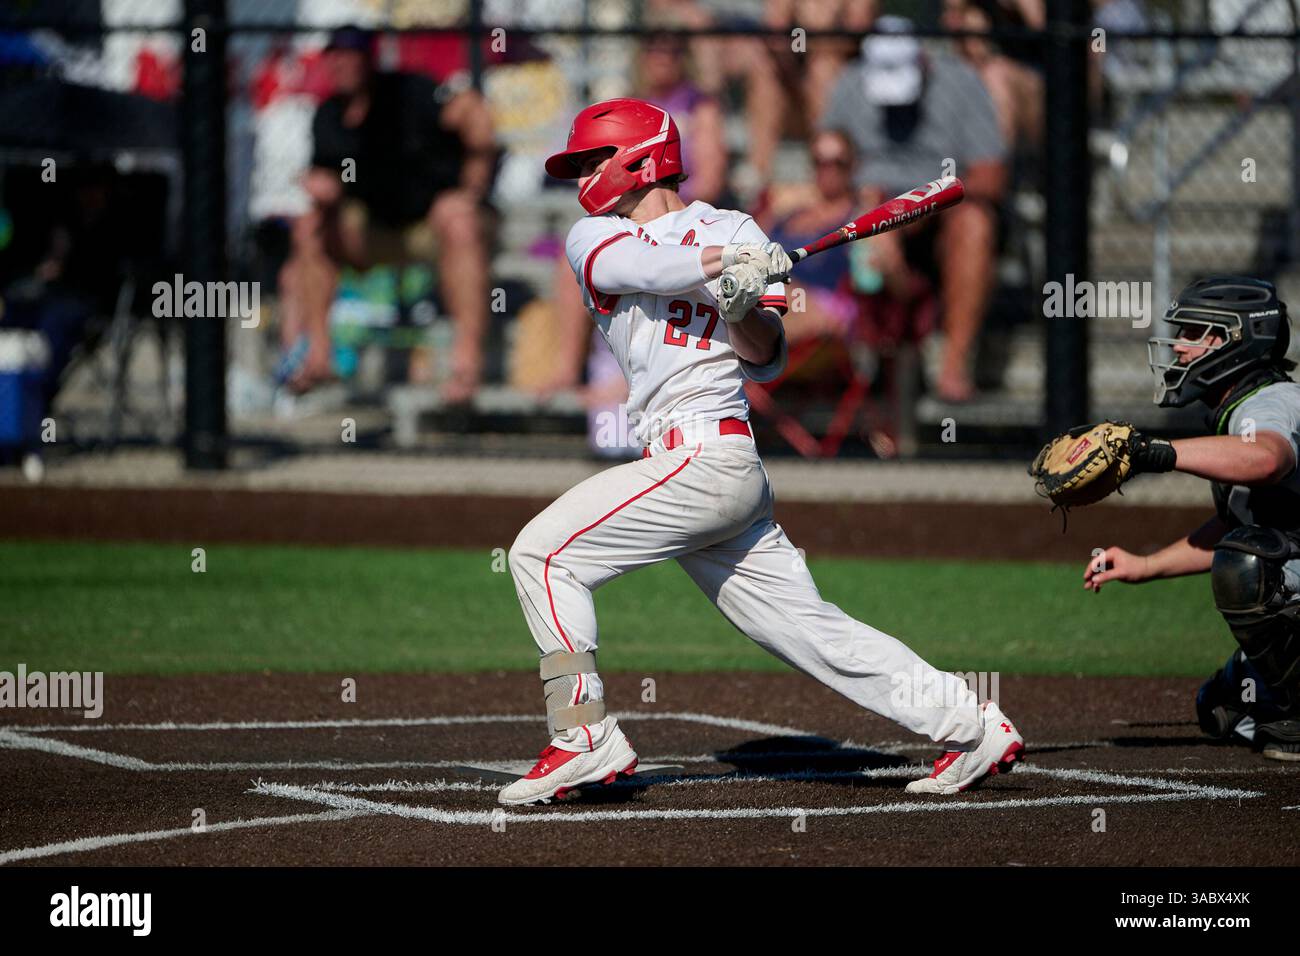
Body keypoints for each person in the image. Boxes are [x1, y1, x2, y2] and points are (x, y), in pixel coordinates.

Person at [498, 98, 1023, 805]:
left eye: (593, 160)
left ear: (640, 157)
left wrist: (742, 302)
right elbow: (647, 271)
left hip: (711, 457)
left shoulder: (733, 226)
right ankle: (974, 724)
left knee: (542, 553)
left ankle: (582, 736)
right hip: (689, 467)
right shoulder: (593, 238)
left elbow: (765, 357)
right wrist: (722, 267)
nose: (584, 176)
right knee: (812, 633)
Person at [1085, 276, 1300, 762]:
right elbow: (1237, 524)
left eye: (1194, 334)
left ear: (1236, 341)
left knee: (1248, 566)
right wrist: (1144, 566)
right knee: (1222, 703)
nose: (1179, 348)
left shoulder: (1270, 403)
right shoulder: (1239, 410)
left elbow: (1266, 459)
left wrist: (1157, 453)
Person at [278, 26, 496, 401]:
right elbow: (326, 180)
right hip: (375, 229)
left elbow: (472, 111)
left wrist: (472, 188)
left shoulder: (407, 92)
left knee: (457, 218)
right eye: (336, 55)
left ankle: (466, 362)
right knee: (309, 229)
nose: (344, 63)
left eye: (353, 55)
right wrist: (322, 187)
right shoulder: (328, 115)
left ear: (370, 60)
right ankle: (315, 355)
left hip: (431, 223)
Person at [821, 16, 1007, 403]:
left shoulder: (961, 83)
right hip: (868, 216)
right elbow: (825, 170)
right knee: (864, 235)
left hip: (941, 218)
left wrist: (918, 205)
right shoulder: (849, 83)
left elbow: (991, 179)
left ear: (922, 63)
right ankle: (868, 369)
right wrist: (874, 207)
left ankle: (951, 367)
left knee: (975, 223)